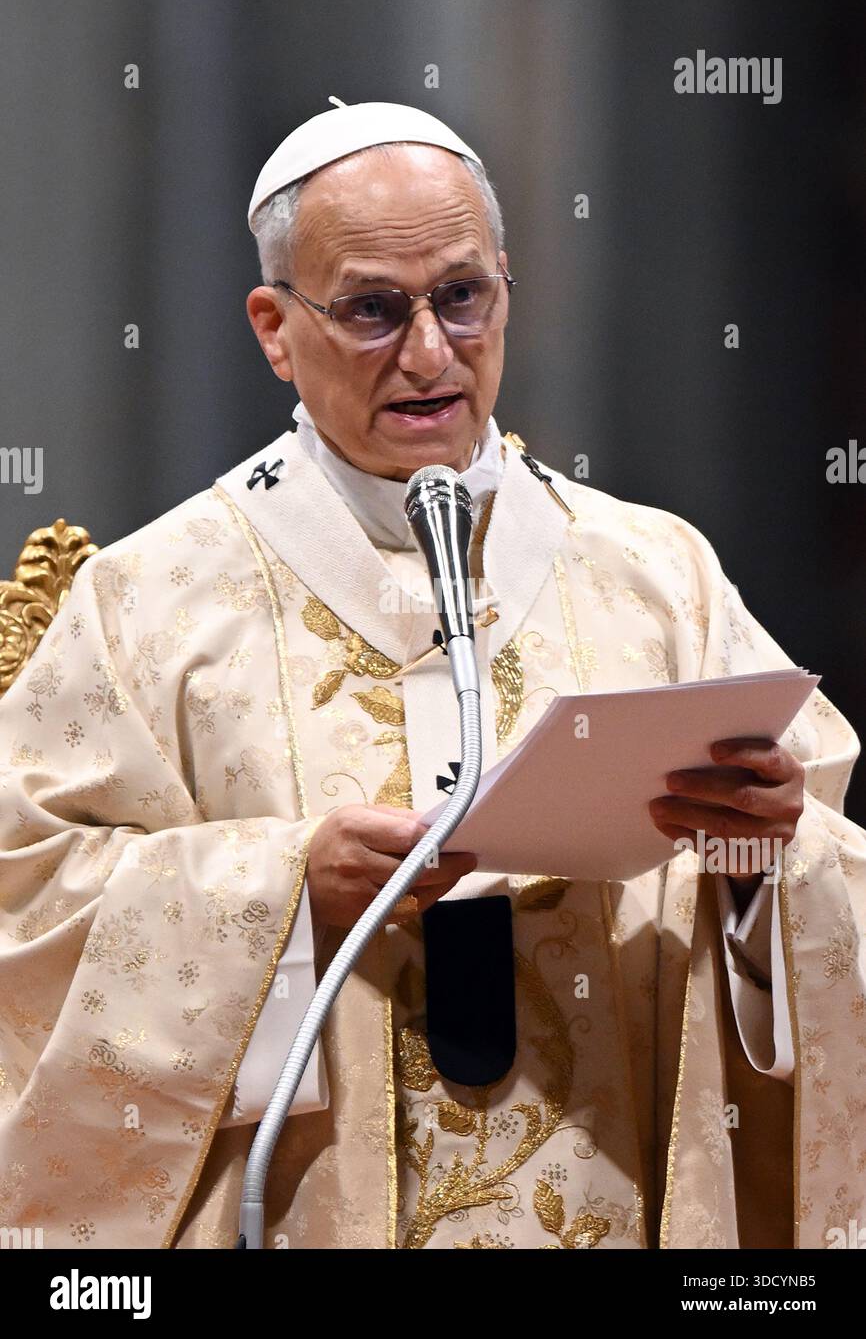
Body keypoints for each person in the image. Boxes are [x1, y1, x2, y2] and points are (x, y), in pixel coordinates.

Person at [1, 99, 863, 1251]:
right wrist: (282, 883)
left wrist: (760, 853)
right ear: (272, 324)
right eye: (370, 309)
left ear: (505, 285)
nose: (427, 354)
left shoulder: (656, 577)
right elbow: (26, 902)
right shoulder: (150, 603)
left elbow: (811, 866)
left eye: (461, 297)